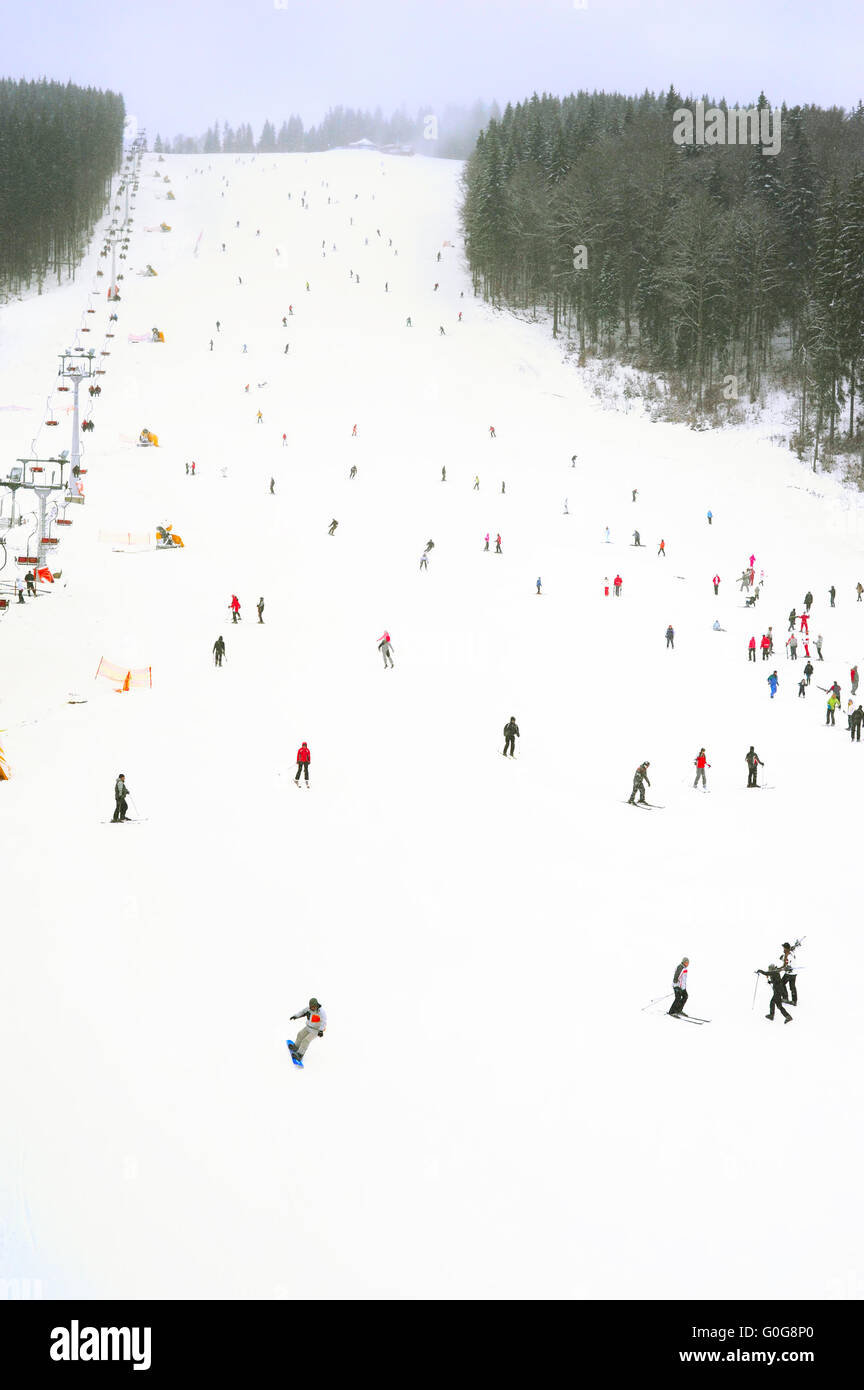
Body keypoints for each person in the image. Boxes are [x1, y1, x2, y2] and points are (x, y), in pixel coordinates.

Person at [779, 941, 800, 1006]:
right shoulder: (791, 952)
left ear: (787, 949)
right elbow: (792, 949)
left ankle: (785, 998)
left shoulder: (788, 957)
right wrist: (795, 945)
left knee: (781, 983)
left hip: (790, 973)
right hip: (794, 973)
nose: (783, 949)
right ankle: (794, 1001)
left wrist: (779, 969)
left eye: (784, 948)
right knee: (792, 987)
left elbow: (786, 966)